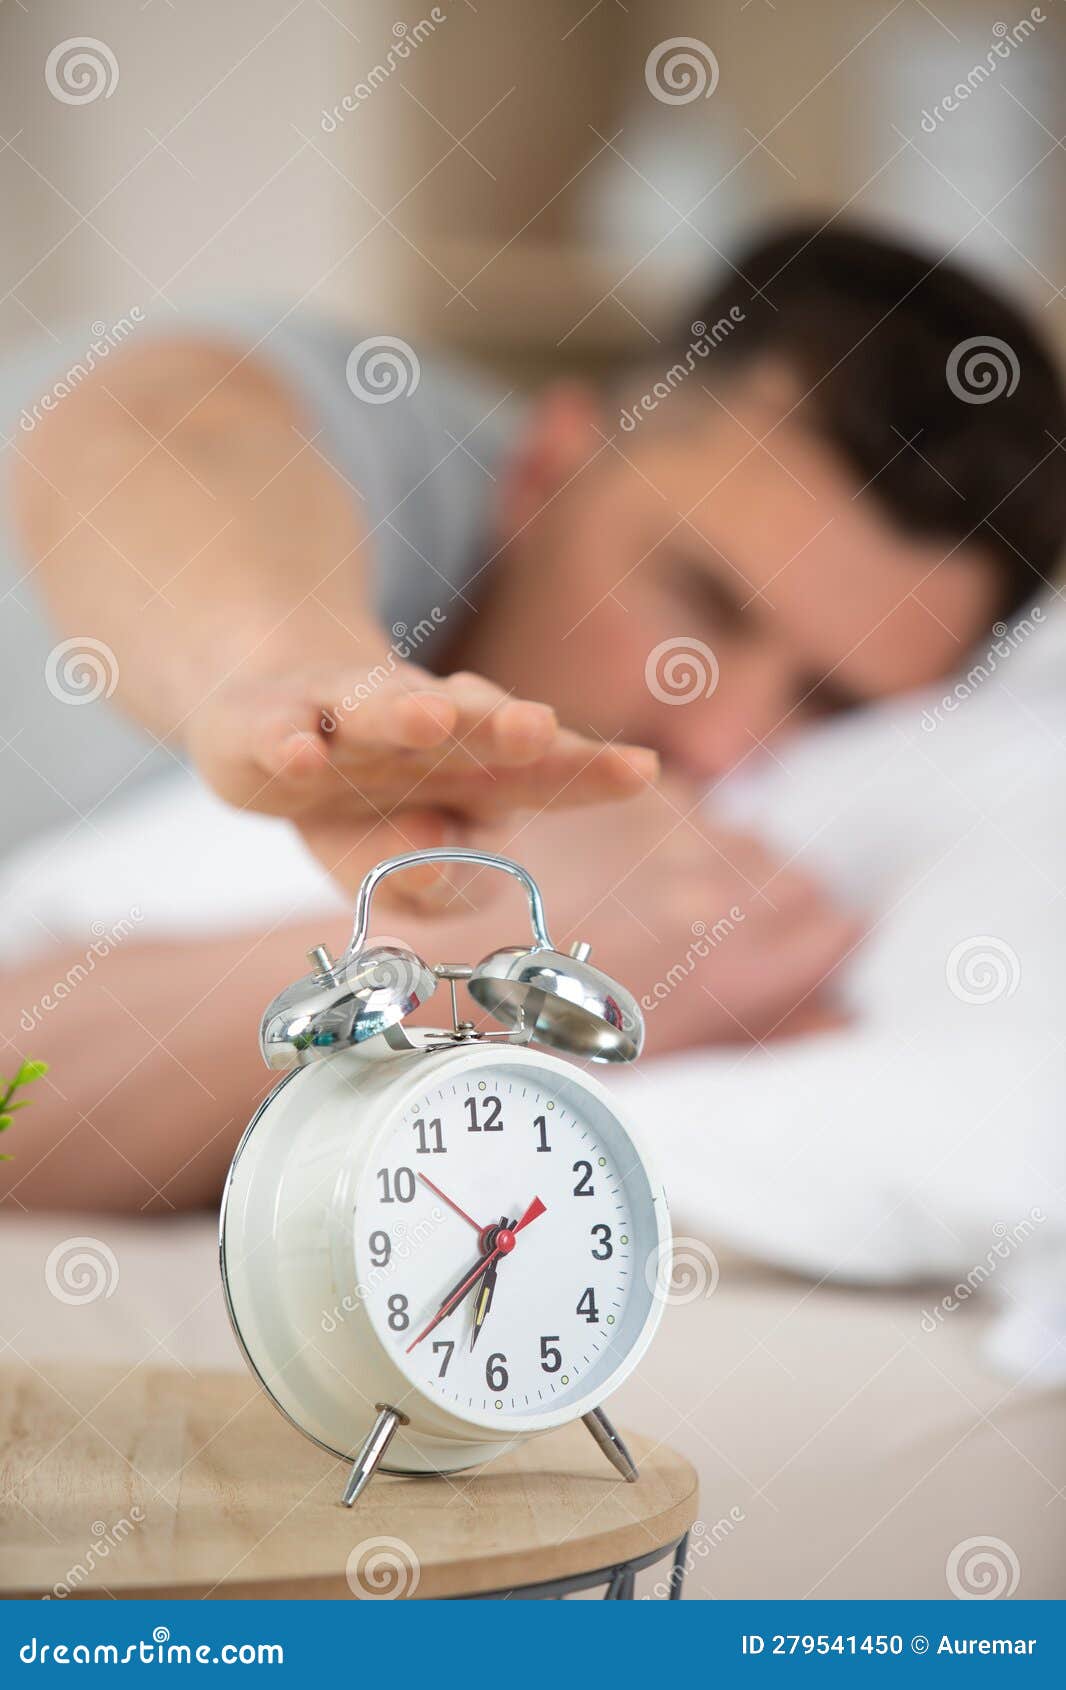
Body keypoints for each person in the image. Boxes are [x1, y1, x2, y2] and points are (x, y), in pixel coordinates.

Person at [2, 219, 1063, 1212]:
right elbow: (161, 428)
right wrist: (303, 683)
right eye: (699, 598)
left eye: (826, 701)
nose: (720, 736)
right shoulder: (378, 454)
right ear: (553, 462)